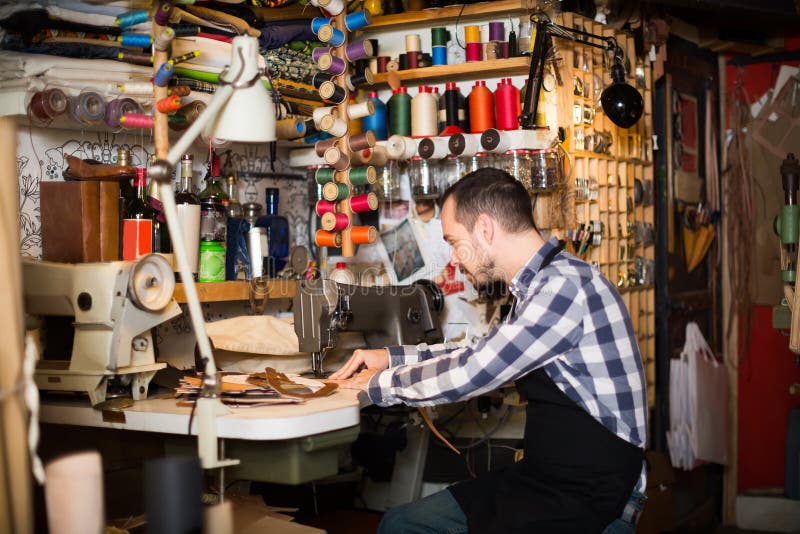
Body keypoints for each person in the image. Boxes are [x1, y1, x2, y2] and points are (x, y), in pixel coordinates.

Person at [330, 168, 648, 533]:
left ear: (485, 229)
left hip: (595, 493)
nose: (453, 258)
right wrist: (392, 358)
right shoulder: (537, 287)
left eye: (453, 240)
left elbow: (475, 371)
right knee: (402, 524)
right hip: (548, 479)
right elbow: (481, 351)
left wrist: (379, 385)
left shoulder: (564, 288)